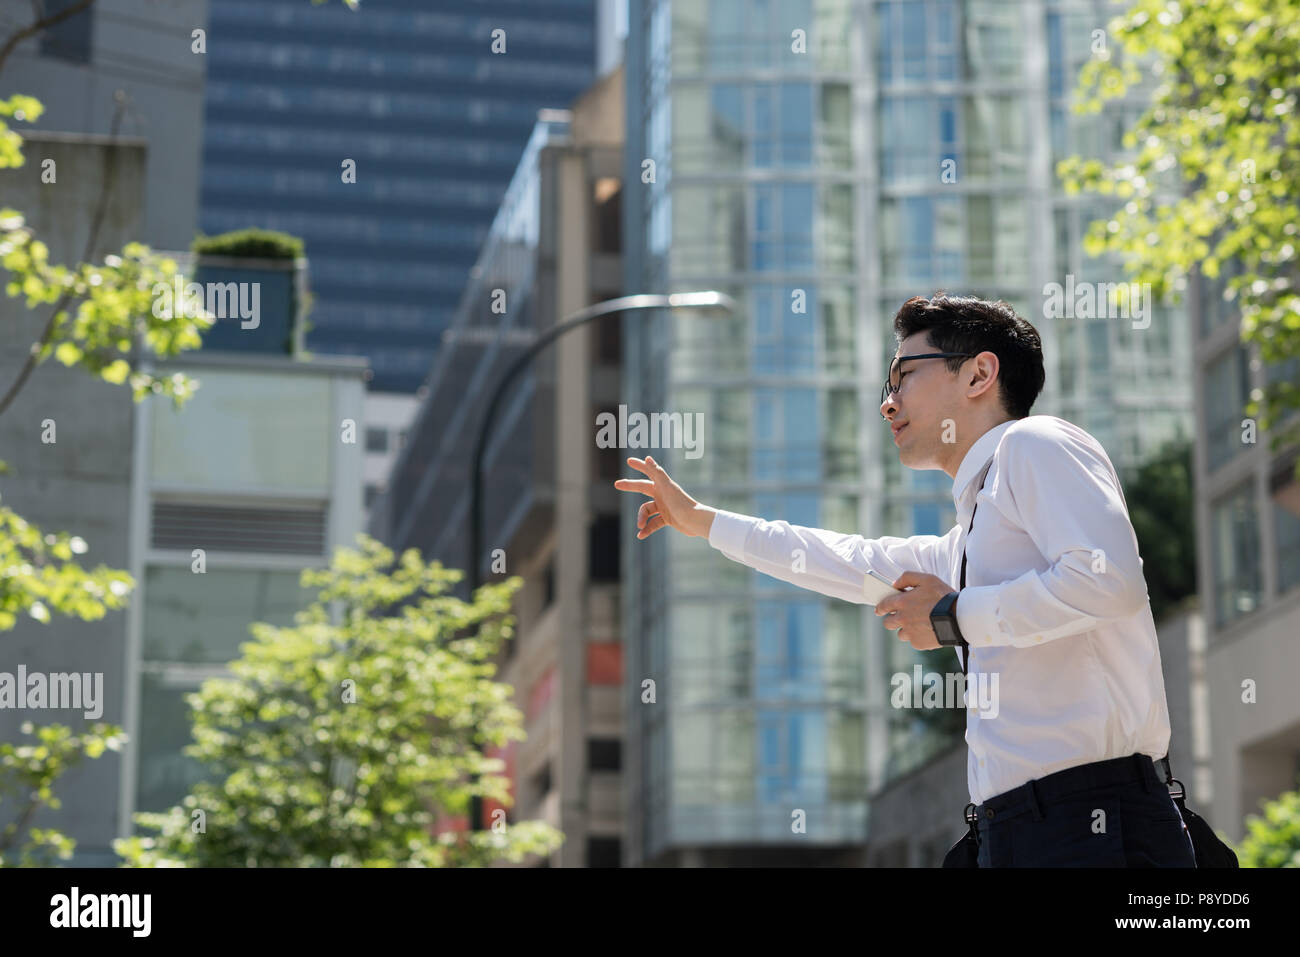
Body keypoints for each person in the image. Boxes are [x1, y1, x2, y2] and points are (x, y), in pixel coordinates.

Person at [614, 293, 1195, 868]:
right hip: (1014, 829)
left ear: (979, 374)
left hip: (1093, 822)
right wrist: (701, 521)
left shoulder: (1035, 442)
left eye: (902, 377)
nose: (888, 406)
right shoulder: (965, 541)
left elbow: (1107, 580)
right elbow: (837, 557)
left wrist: (953, 618)